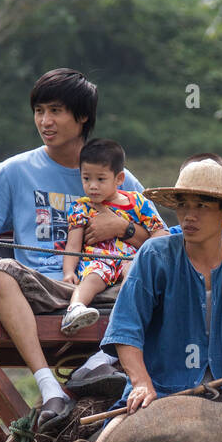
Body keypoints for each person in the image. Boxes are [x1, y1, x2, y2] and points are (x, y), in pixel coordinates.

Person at [0, 69, 150, 434]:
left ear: (82, 116)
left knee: (149, 270)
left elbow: (159, 241)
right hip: (45, 285)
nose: (45, 121)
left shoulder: (116, 175)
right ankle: (49, 387)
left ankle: (105, 358)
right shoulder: (15, 171)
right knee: (1, 272)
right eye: (39, 111)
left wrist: (125, 228)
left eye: (55, 111)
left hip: (110, 287)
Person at [98, 158, 222, 436]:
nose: (188, 215)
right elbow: (125, 330)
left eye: (201, 206)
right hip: (163, 392)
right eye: (183, 205)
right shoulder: (154, 255)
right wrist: (143, 384)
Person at [61, 138, 166, 333]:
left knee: (135, 273)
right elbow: (73, 245)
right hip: (99, 259)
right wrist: (68, 272)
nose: (92, 186)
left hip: (129, 258)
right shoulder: (81, 208)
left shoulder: (137, 202)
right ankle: (74, 309)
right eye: (86, 179)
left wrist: (141, 256)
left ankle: (128, 313)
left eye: (100, 179)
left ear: (119, 179)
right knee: (92, 277)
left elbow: (160, 232)